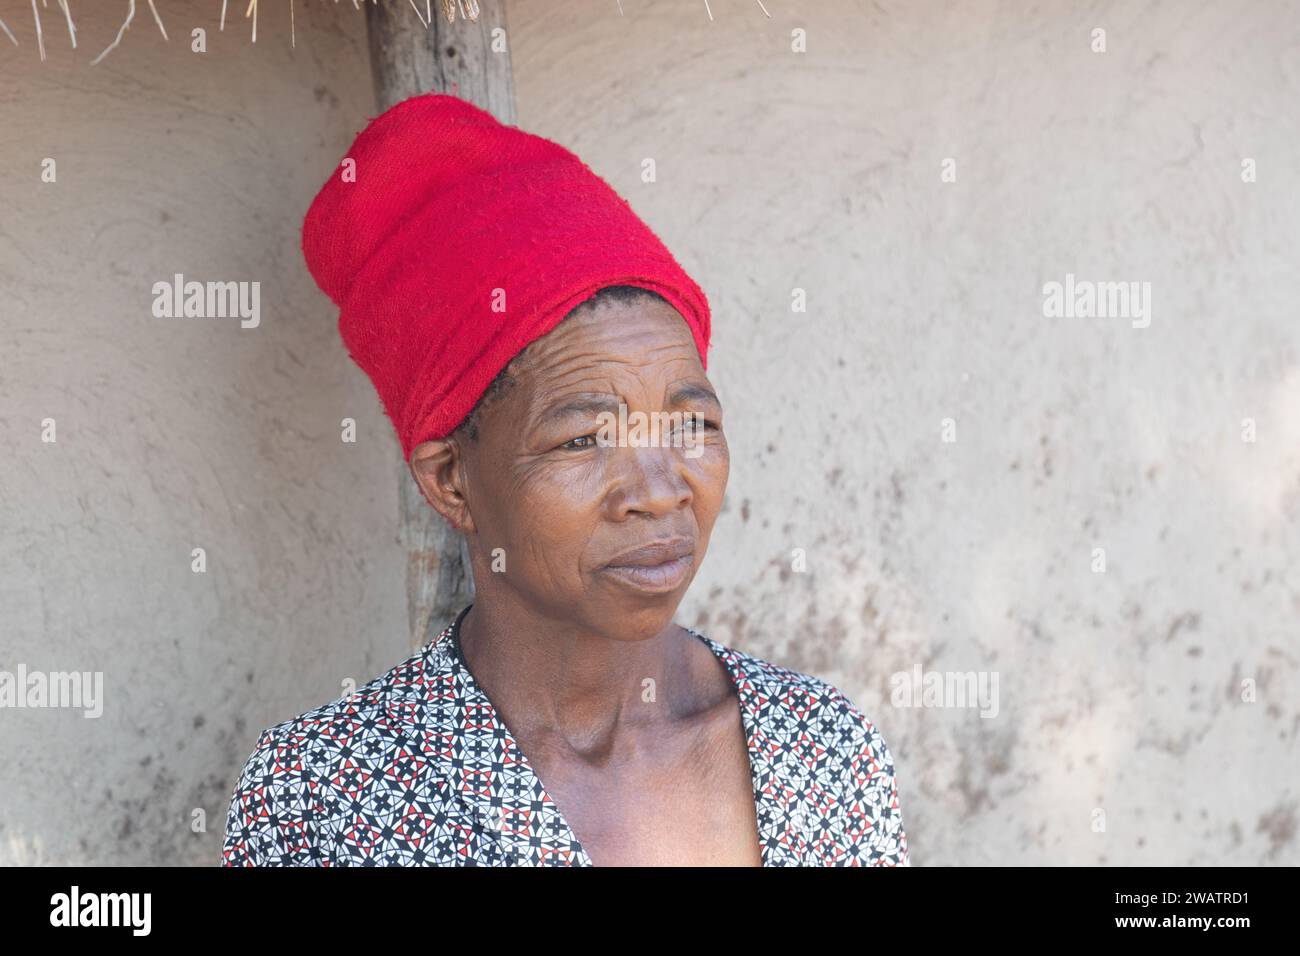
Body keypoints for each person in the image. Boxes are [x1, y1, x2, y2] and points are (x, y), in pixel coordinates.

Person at [221, 93, 908, 867]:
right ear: (452, 482)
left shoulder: (822, 753)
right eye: (583, 438)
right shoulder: (328, 799)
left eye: (692, 426)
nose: (659, 490)